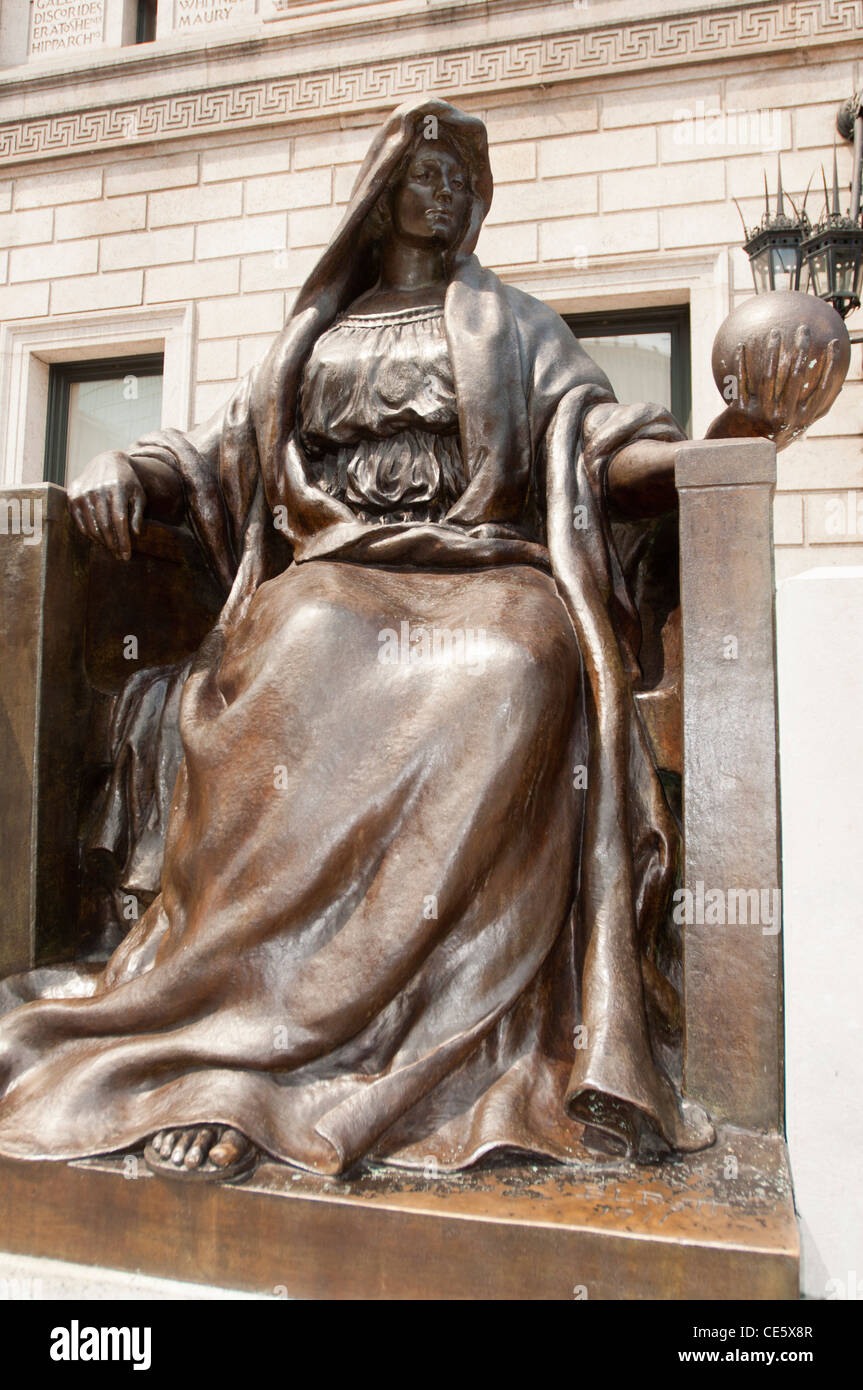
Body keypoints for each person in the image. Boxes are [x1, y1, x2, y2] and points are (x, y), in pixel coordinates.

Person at [0, 98, 714, 1183]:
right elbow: (226, 446)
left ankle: (424, 1032)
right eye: (423, 175)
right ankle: (245, 1039)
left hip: (484, 571)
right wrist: (130, 468)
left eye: (458, 182)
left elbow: (593, 433)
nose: (443, 195)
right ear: (381, 194)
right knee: (301, 640)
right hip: (333, 576)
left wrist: (701, 456)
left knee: (522, 659)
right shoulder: (316, 336)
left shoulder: (513, 323)